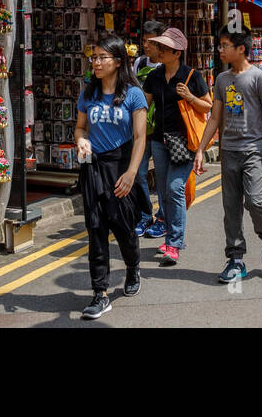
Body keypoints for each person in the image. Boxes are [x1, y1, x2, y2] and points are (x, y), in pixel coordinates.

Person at [194, 28, 262, 282]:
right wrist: (201, 149)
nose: (220, 50)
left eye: (224, 45)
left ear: (241, 49)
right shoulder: (222, 79)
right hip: (229, 152)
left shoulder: (258, 78)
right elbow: (215, 117)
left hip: (255, 150)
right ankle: (235, 259)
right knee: (231, 207)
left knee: (255, 201)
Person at [75, 35, 149, 320]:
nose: (95, 62)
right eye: (93, 57)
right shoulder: (88, 92)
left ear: (118, 62)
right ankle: (100, 292)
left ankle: (132, 267)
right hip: (92, 166)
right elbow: (80, 128)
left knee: (123, 226)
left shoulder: (133, 94)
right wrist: (81, 141)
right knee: (95, 227)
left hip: (121, 166)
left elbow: (141, 137)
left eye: (102, 57)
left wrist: (131, 173)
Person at [142, 27, 211, 266]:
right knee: (164, 193)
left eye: (163, 48)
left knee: (174, 188)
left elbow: (208, 106)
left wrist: (190, 97)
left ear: (177, 52)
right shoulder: (155, 76)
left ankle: (174, 243)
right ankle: (172, 236)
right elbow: (144, 105)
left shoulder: (192, 76)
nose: (158, 51)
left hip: (184, 143)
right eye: (158, 47)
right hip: (160, 142)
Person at [132, 21, 168, 238]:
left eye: (150, 41)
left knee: (163, 178)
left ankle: (163, 217)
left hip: (161, 130)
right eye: (144, 40)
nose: (146, 45)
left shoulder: (166, 67)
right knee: (138, 174)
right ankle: (145, 215)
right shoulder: (139, 62)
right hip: (141, 128)